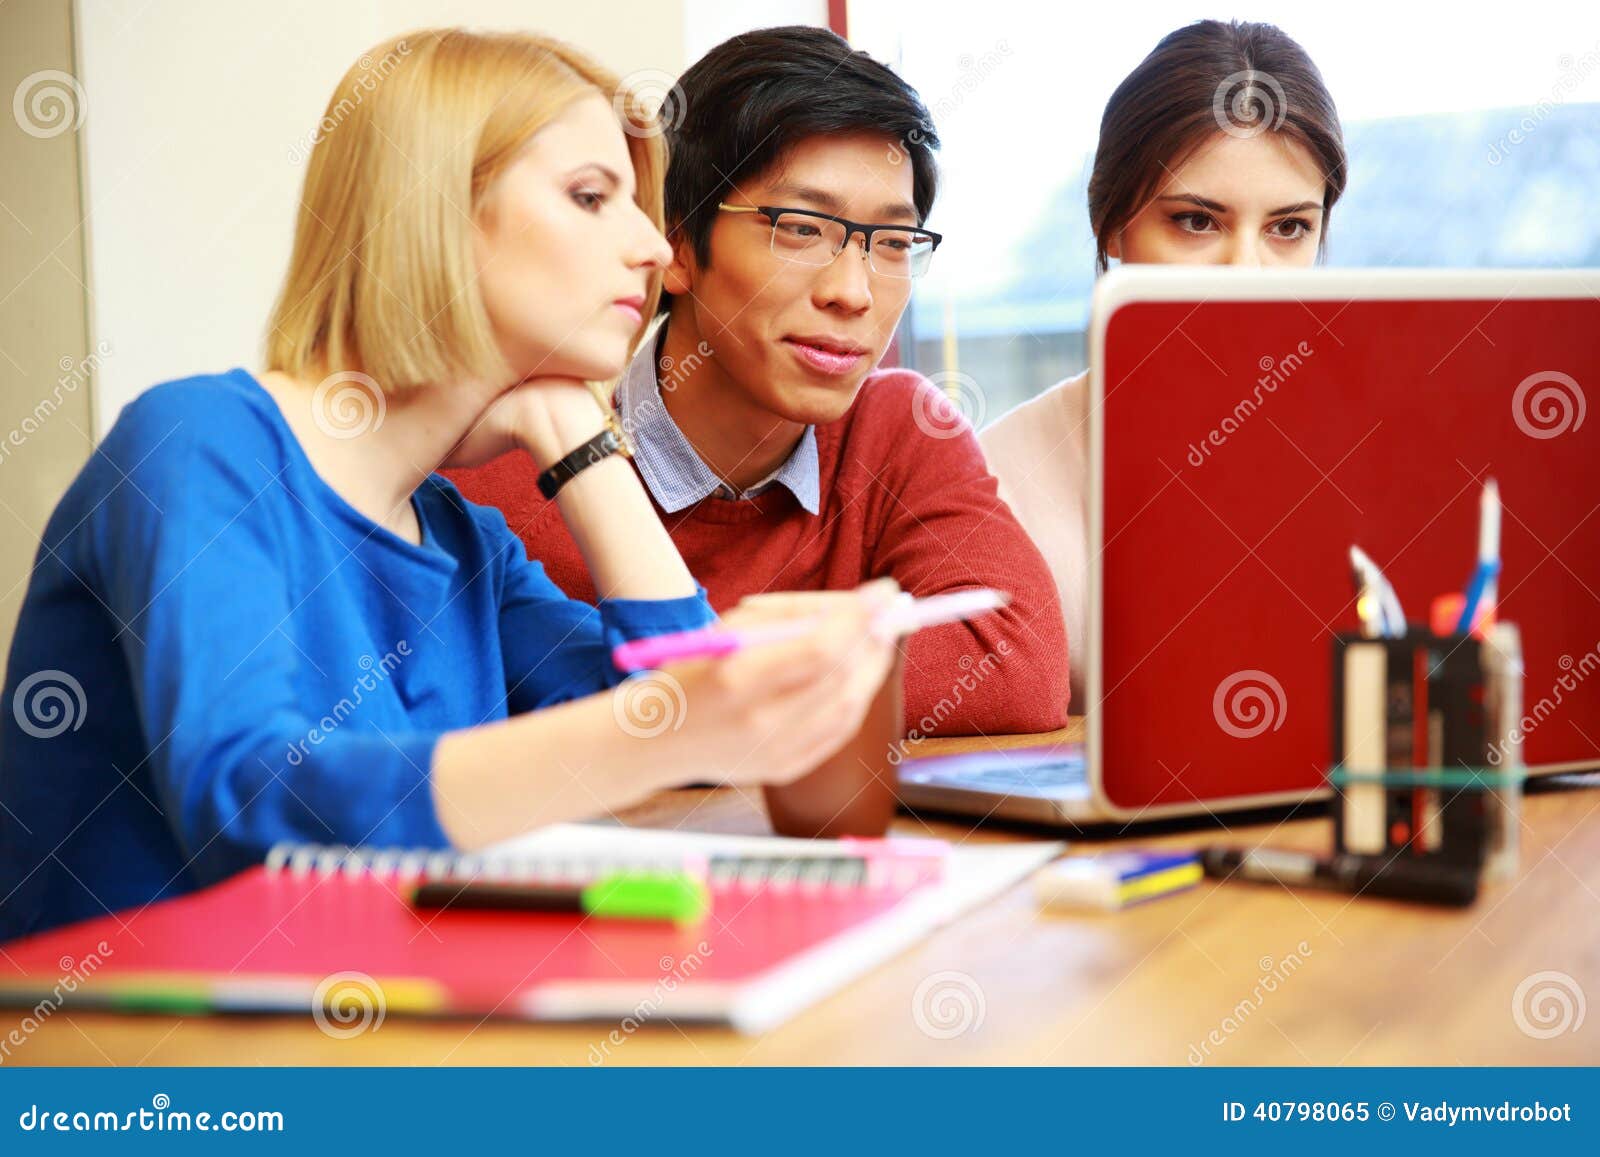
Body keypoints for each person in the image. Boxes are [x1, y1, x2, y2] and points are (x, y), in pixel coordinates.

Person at [0, 29, 898, 942]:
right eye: (592, 197)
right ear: (431, 213)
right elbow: (253, 810)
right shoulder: (199, 444)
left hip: (380, 1007)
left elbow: (690, 736)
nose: (649, 246)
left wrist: (580, 442)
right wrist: (670, 727)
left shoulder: (464, 540)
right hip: (137, 1026)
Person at [447, 26, 1071, 737]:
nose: (853, 293)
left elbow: (1016, 665)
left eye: (894, 242)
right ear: (675, 244)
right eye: (801, 228)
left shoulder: (897, 430)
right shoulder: (502, 474)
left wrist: (733, 675)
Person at [980, 19, 1348, 708]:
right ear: (1111, 225)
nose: (1245, 275)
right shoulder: (998, 483)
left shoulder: (1387, 459)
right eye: (1197, 221)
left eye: (1289, 227)